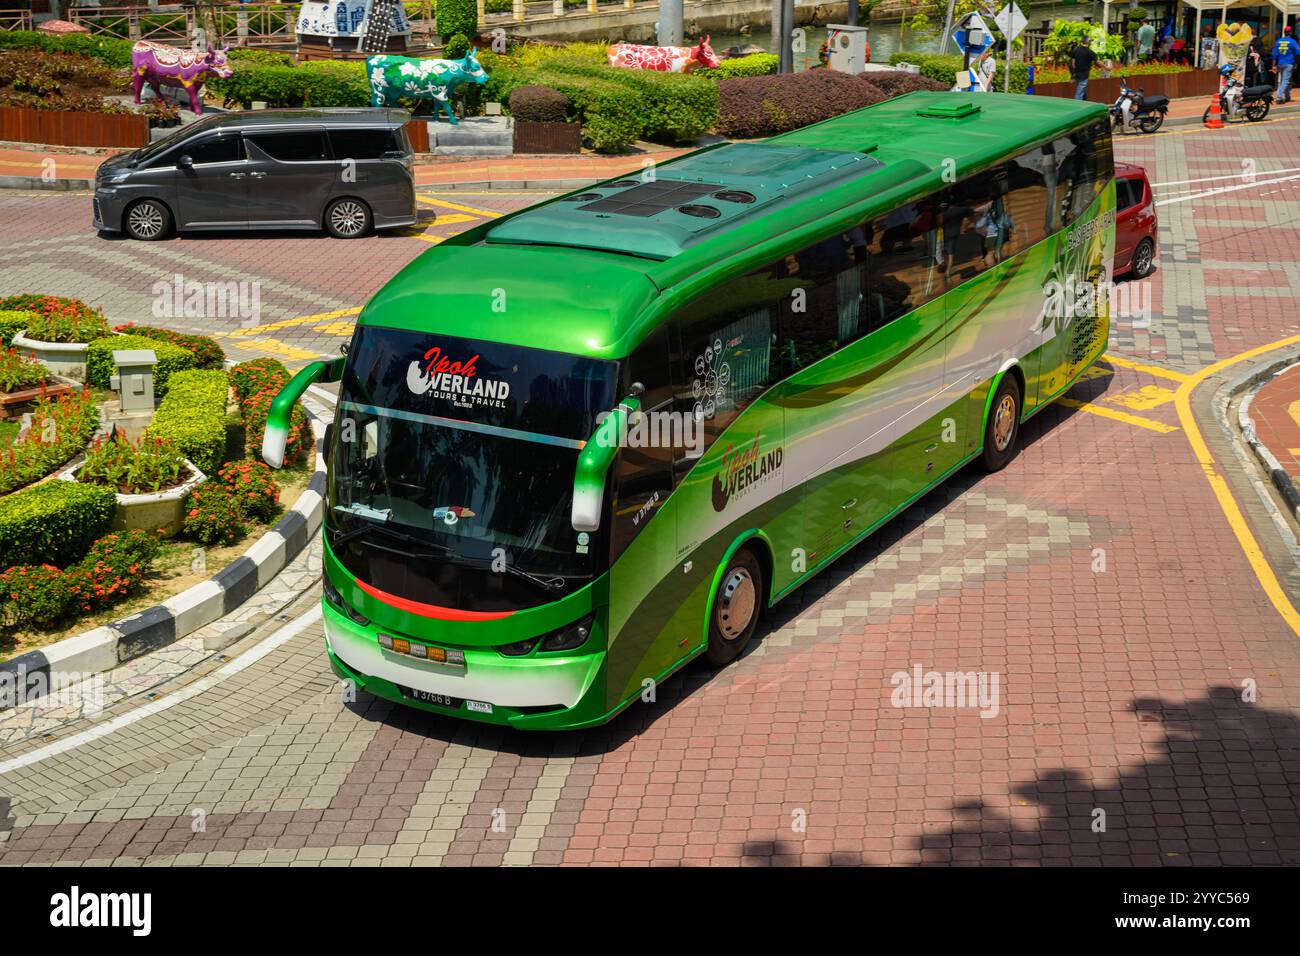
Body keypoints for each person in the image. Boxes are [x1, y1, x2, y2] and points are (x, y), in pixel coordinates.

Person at [1273, 24, 1297, 104]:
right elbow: (1298, 53)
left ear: (1284, 32)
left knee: (1286, 80)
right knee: (1285, 81)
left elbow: (1274, 54)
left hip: (1279, 64)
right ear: (1290, 32)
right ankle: (1279, 98)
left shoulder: (1278, 41)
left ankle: (1287, 97)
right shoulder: (1292, 41)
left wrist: (1273, 65)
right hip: (1289, 63)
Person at [1071, 35, 1098, 99]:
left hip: (1077, 74)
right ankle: (1076, 106)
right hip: (1084, 75)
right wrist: (1106, 67)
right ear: (1088, 42)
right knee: (1079, 94)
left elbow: (1073, 63)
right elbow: (1098, 62)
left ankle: (1085, 102)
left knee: (1082, 90)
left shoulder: (1076, 49)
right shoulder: (1090, 52)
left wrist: (1074, 73)